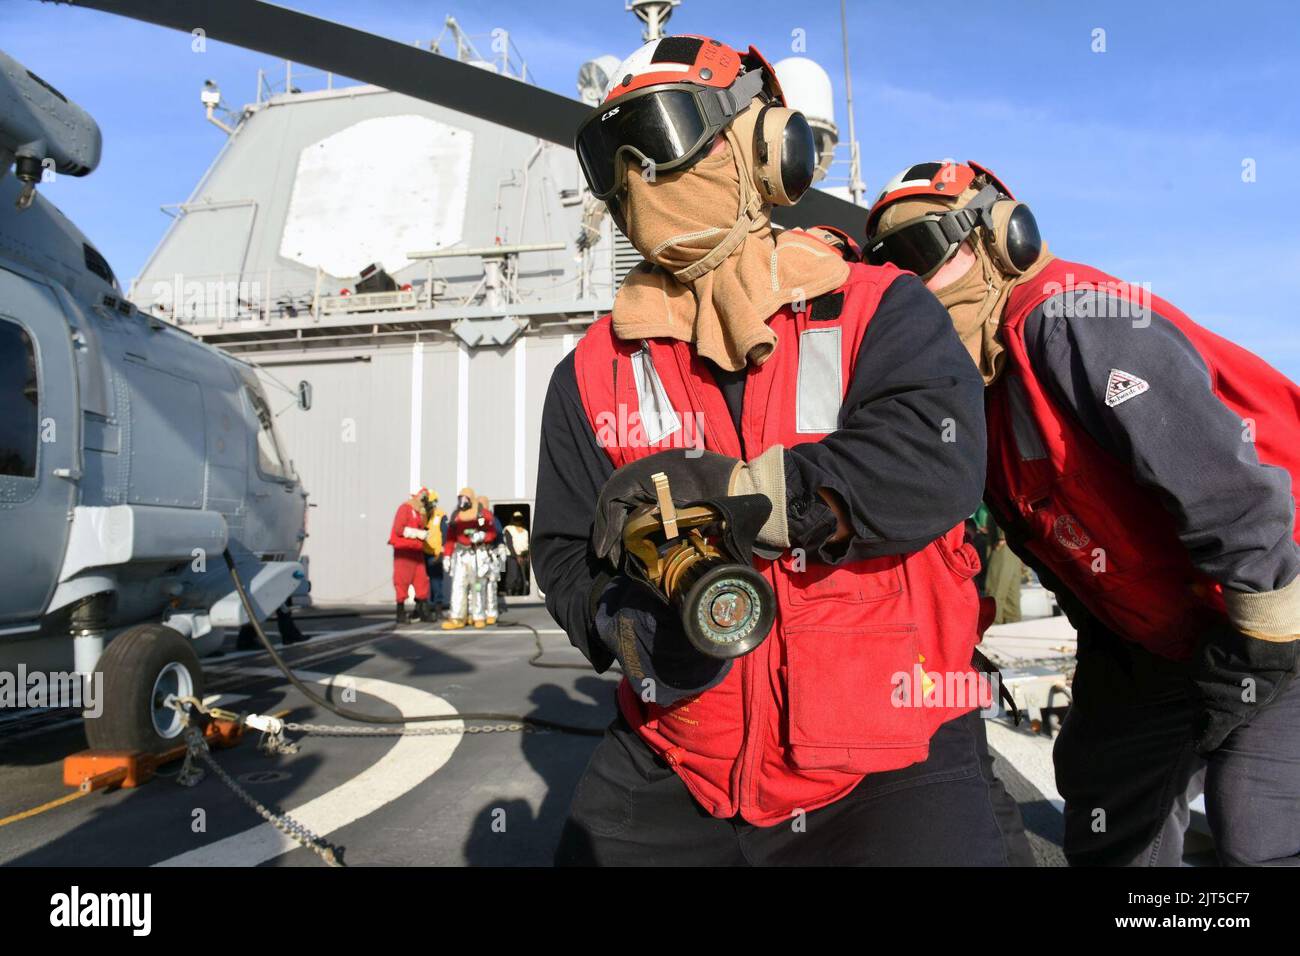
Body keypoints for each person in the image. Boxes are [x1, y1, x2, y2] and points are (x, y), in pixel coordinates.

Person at [533, 36, 1031, 866]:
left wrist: (748, 497)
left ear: (763, 148)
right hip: (682, 750)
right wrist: (619, 627)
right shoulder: (588, 373)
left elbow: (933, 461)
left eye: (658, 132)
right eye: (609, 152)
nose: (636, 171)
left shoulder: (880, 308)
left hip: (888, 746)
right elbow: (560, 551)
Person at [865, 159, 1300, 865]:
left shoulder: (1074, 321)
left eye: (920, 256)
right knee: (1108, 801)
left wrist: (1264, 643)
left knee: (1259, 825)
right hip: (1164, 633)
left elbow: (1230, 489)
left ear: (1002, 240)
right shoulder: (982, 388)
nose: (906, 289)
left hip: (1274, 597)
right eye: (886, 273)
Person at [441, 488, 499, 629]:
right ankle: (457, 617)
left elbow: (492, 532)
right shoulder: (456, 515)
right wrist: (447, 556)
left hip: (477, 553)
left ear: (471, 499)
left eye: (465, 498)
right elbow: (450, 537)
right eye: (460, 498)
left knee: (477, 585)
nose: (462, 502)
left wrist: (482, 536)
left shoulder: (481, 514)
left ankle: (478, 616)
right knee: (458, 586)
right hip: (460, 555)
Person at [389, 487, 435, 624]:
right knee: (402, 580)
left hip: (416, 551)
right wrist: (417, 533)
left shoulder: (419, 513)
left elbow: (422, 526)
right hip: (404, 550)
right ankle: (400, 611)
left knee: (422, 580)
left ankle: (423, 609)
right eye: (423, 498)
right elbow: (398, 529)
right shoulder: (405, 509)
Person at [422, 490, 447, 614]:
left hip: (435, 553)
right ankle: (423, 605)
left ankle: (437, 606)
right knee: (422, 580)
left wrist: (442, 550)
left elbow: (445, 533)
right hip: (423, 551)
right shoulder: (423, 515)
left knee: (436, 580)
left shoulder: (440, 515)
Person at [503, 511, 530, 595]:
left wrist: (527, 554)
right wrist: (516, 556)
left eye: (519, 519)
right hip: (512, 556)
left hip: (523, 556)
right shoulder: (508, 529)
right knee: (513, 575)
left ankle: (518, 592)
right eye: (516, 519)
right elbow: (509, 544)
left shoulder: (525, 531)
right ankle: (509, 591)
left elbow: (528, 543)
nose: (518, 520)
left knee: (521, 577)